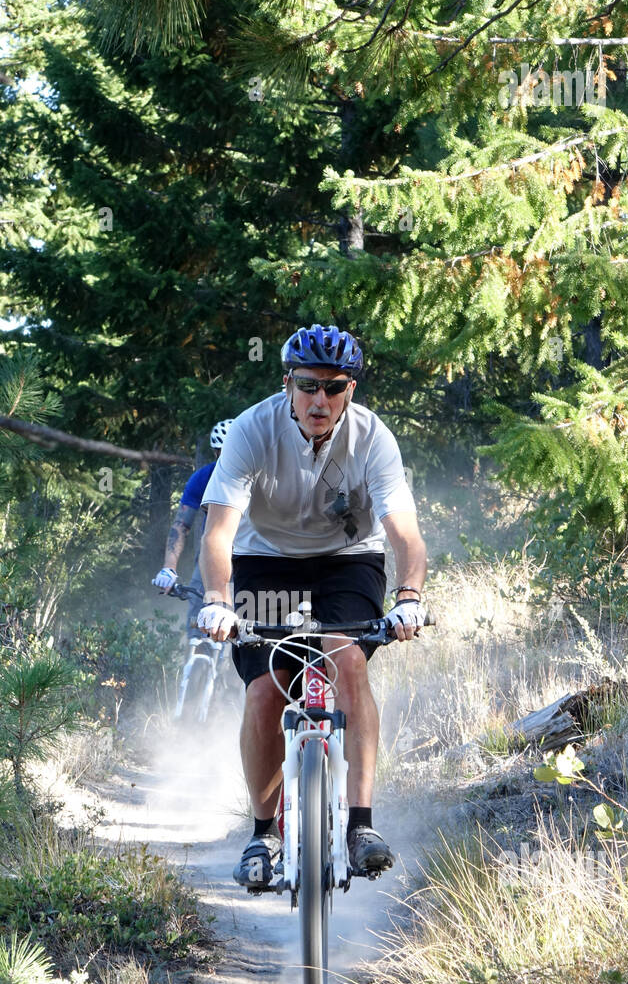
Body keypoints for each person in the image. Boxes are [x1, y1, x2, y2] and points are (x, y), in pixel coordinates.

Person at [197, 324, 427, 884]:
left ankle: (361, 826)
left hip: (349, 559)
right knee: (264, 687)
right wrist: (217, 600)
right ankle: (263, 835)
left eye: (334, 387)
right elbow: (218, 533)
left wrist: (409, 598)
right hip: (266, 559)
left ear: (350, 390)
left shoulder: (373, 438)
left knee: (347, 659)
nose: (319, 399)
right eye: (307, 385)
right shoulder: (252, 430)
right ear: (288, 385)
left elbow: (405, 533)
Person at [151, 419, 233, 637]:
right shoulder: (203, 478)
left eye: (233, 451)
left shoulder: (259, 476)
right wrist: (169, 568)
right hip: (214, 553)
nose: (227, 458)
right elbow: (181, 524)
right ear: (215, 453)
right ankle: (195, 650)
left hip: (250, 553)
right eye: (221, 452)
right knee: (199, 607)